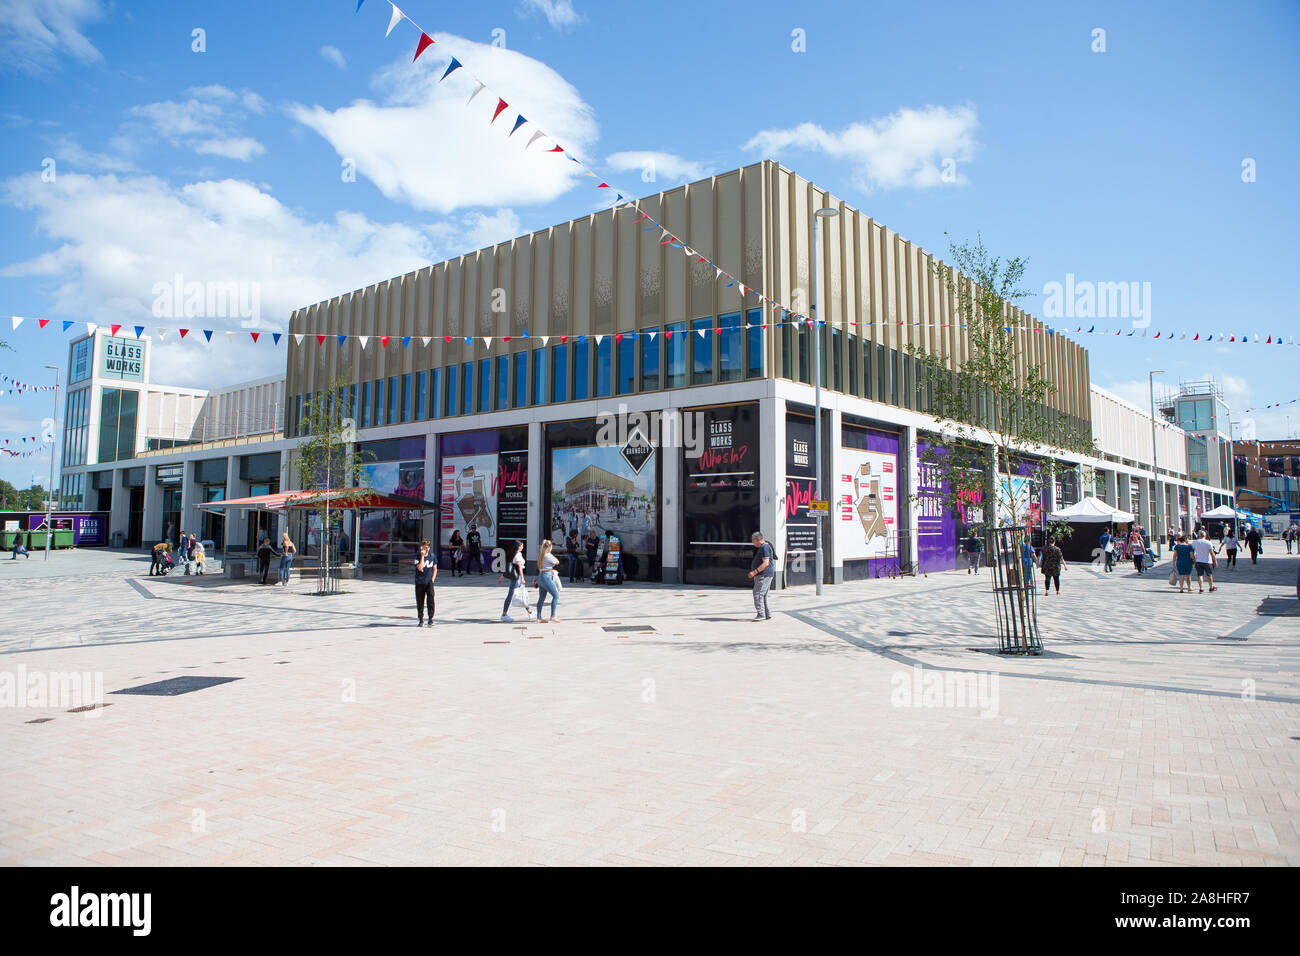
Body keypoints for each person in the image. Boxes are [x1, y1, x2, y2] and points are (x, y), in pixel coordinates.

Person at [499, 540, 532, 622]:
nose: (523, 547)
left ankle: (530, 611)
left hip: (516, 578)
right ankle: (504, 614)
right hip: (517, 578)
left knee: (521, 594)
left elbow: (509, 567)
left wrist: (502, 576)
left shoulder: (514, 554)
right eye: (522, 546)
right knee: (512, 595)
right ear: (518, 547)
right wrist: (523, 578)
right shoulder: (518, 555)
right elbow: (519, 567)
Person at [747, 531, 776, 621]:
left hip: (763, 575)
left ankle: (761, 614)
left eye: (753, 540)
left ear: (758, 539)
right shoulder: (763, 547)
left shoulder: (764, 547)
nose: (752, 542)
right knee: (763, 595)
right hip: (765, 574)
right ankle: (767, 614)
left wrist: (754, 572)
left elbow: (766, 563)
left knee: (758, 593)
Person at [535, 539, 561, 622]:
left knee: (541, 598)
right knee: (556, 596)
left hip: (541, 576)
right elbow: (557, 562)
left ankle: (539, 617)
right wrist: (551, 554)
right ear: (549, 547)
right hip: (547, 577)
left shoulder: (541, 555)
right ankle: (553, 616)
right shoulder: (548, 555)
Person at [414, 539, 437, 626]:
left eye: (426, 547)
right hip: (419, 582)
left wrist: (432, 579)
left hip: (429, 582)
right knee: (420, 601)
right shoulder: (417, 556)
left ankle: (430, 618)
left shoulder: (432, 556)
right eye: (423, 547)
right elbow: (420, 568)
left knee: (430, 600)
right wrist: (422, 556)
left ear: (429, 547)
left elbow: (435, 568)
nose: (425, 549)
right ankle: (421, 619)